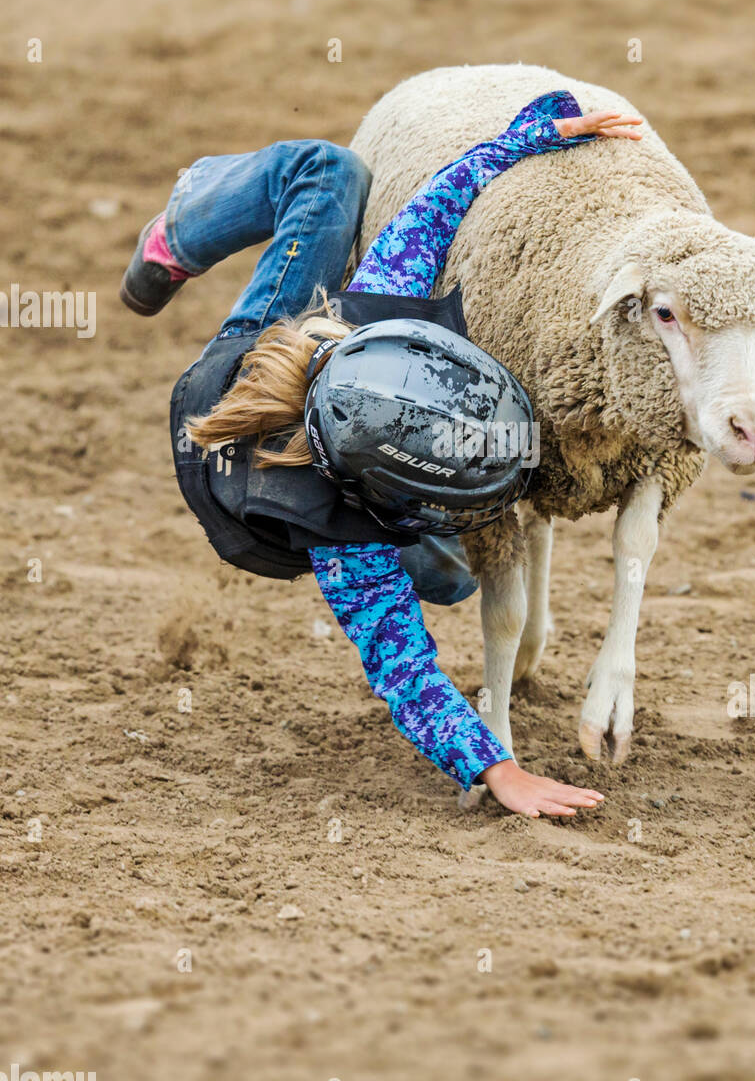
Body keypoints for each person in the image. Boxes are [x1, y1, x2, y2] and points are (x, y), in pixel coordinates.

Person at [122, 89, 642, 816]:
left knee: (329, 172)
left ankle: (177, 238)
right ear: (388, 501)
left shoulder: (379, 312)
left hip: (278, 353)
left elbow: (441, 198)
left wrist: (535, 130)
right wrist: (498, 770)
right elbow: (405, 672)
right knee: (455, 578)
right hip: (258, 488)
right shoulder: (348, 549)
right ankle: (176, 234)